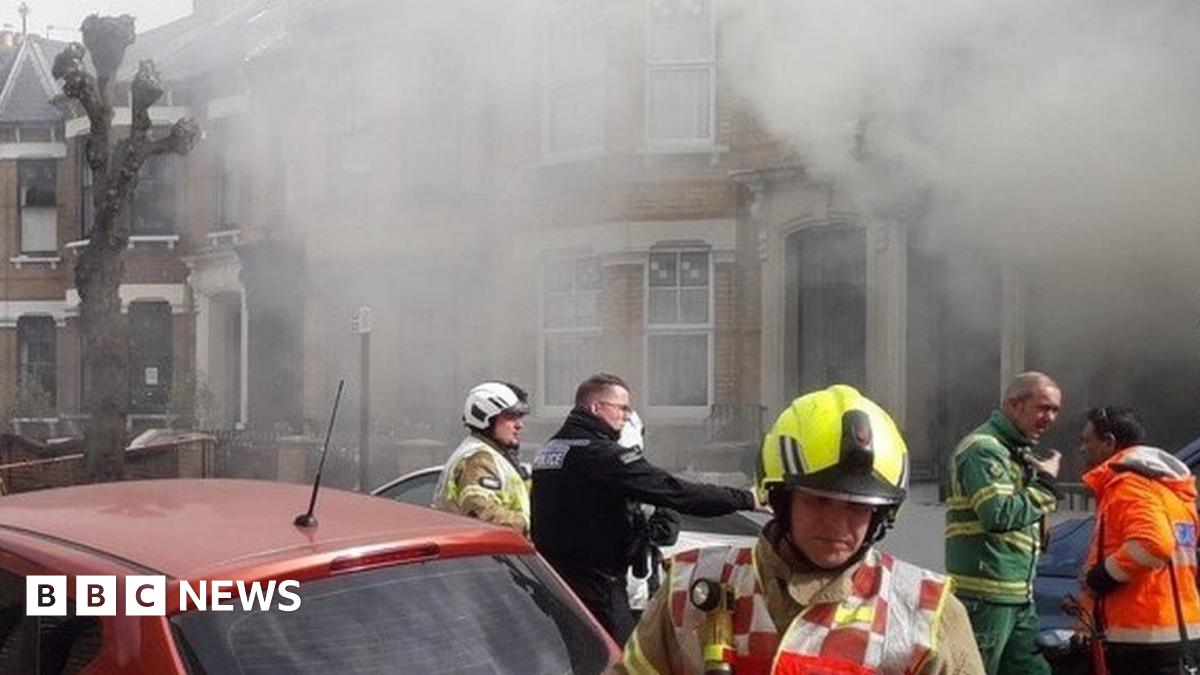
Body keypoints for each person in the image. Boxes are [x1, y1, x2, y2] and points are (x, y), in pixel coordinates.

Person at [616, 384, 985, 675]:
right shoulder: (689, 587)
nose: (838, 524)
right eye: (820, 501)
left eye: (859, 508)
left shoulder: (927, 613)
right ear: (779, 499)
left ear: (882, 516)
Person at [530, 373, 755, 643]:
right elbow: (673, 490)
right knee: (620, 661)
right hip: (598, 585)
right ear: (596, 408)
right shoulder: (599, 454)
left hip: (556, 581)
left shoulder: (551, 449)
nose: (626, 416)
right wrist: (746, 499)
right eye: (622, 408)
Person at [945, 371, 1063, 675]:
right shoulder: (983, 450)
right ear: (1013, 404)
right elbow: (997, 514)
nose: (1050, 418)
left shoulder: (1016, 454)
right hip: (986, 597)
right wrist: (1046, 485)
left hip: (1016, 595)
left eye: (1055, 411)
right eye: (1043, 407)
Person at [1078, 406, 1200, 674]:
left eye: (1087, 441)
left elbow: (1153, 544)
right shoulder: (1171, 491)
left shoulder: (1128, 484)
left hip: (1140, 637)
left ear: (1109, 442)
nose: (1082, 449)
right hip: (1178, 632)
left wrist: (1097, 578)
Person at [431, 381, 531, 534]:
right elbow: (481, 515)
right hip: (481, 555)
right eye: (510, 417)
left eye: (520, 417)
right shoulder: (479, 460)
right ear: (486, 418)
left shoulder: (495, 456)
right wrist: (530, 523)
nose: (519, 425)